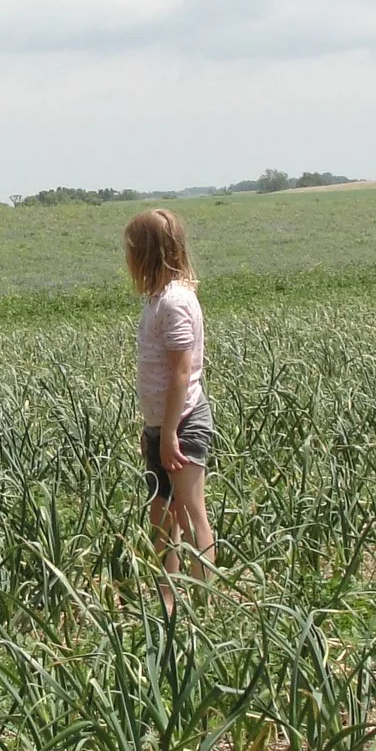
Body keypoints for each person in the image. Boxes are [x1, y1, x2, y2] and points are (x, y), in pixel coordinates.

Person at [124, 208, 214, 605]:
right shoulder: (157, 300)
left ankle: (205, 603)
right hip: (163, 425)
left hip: (184, 422)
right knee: (161, 517)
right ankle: (168, 603)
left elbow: (181, 372)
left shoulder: (175, 301)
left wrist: (171, 433)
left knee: (190, 513)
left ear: (147, 252)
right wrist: (153, 431)